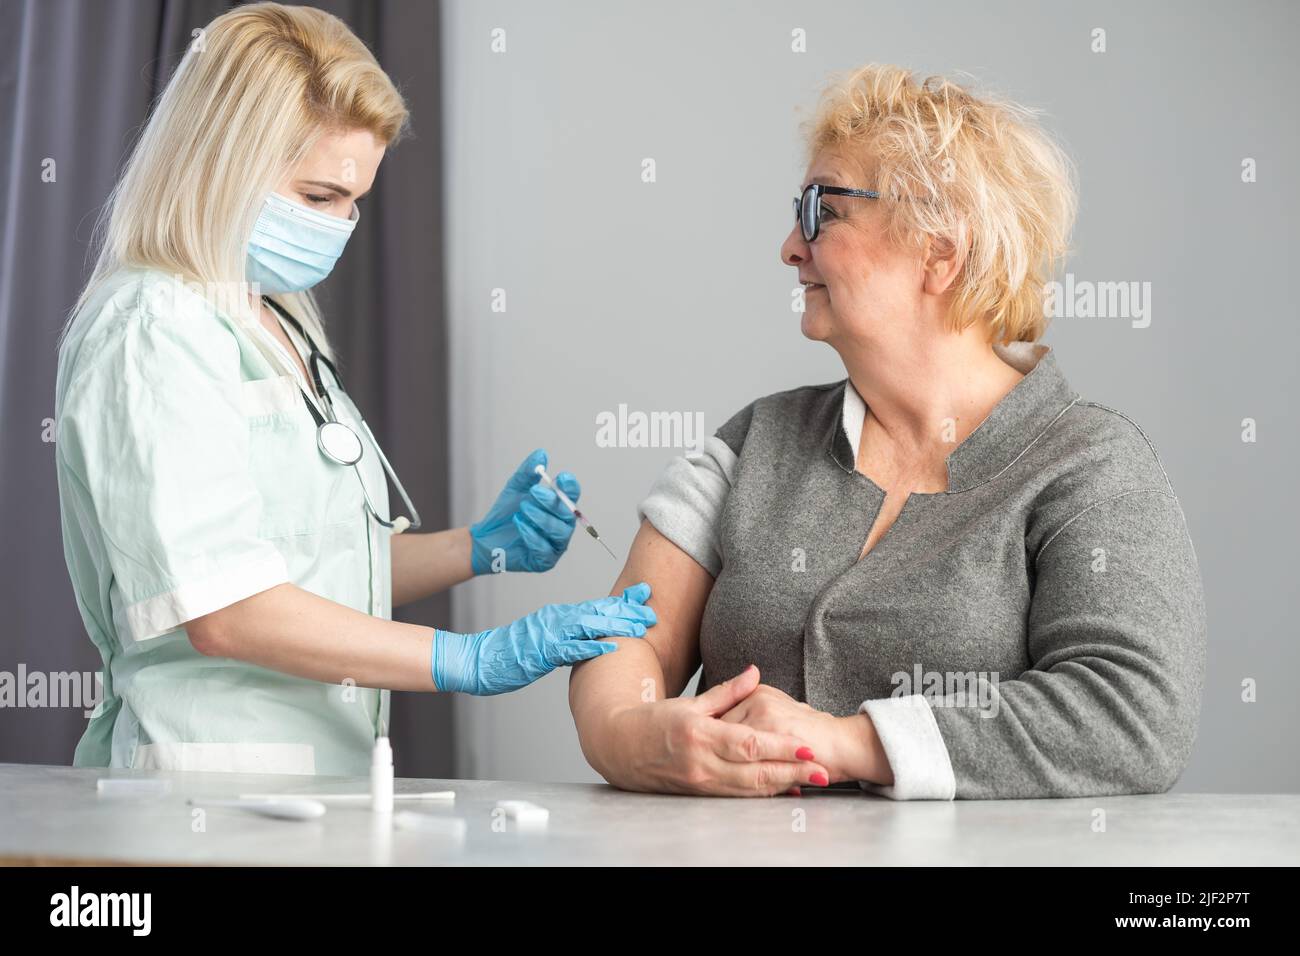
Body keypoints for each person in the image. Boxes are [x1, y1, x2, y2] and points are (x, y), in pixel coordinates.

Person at [569, 64, 1207, 800]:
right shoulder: (757, 440)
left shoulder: (1092, 465)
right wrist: (628, 733)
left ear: (941, 249)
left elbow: (1132, 718)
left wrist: (848, 742)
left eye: (824, 211)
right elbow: (624, 635)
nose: (789, 245)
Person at [53, 2, 655, 776]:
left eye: (355, 201)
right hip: (202, 790)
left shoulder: (273, 319)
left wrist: (475, 549)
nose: (341, 226)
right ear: (219, 164)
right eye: (317, 198)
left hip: (324, 786)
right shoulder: (153, 327)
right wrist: (469, 657)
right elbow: (224, 609)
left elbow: (313, 567)